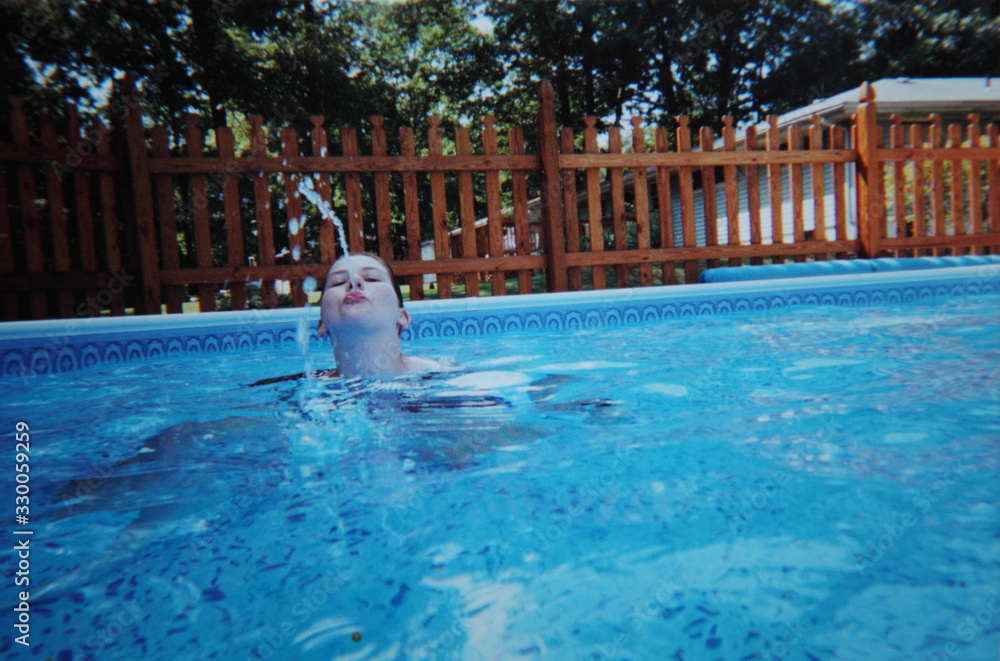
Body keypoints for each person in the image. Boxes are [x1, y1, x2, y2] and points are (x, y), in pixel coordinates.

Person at [317, 252, 455, 378]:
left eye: (372, 279)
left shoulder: (445, 375)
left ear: (402, 316)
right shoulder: (304, 386)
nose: (354, 281)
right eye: (338, 282)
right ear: (322, 324)